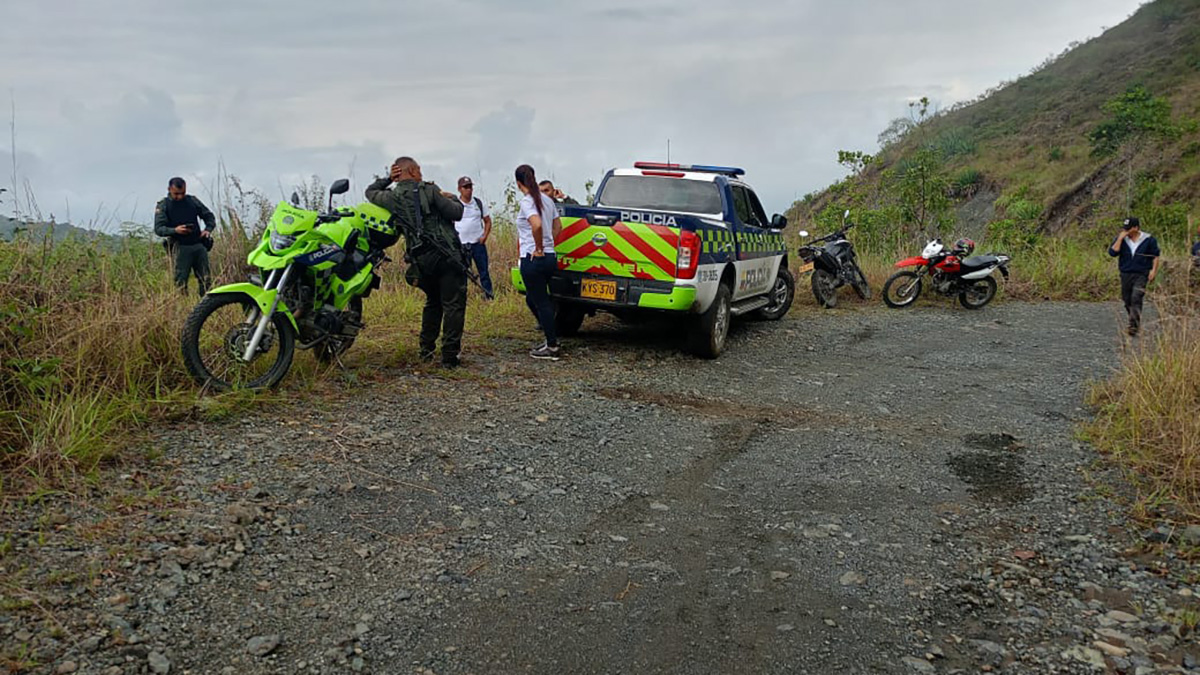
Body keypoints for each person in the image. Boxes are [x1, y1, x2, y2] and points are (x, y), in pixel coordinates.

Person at [366, 157, 467, 367]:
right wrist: (453, 198)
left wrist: (387, 179)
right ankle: (449, 356)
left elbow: (370, 192)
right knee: (453, 305)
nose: (421, 173)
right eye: (419, 169)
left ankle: (426, 350)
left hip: (420, 260)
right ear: (411, 170)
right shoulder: (430, 190)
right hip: (446, 255)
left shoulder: (391, 197)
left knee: (433, 302)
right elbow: (456, 213)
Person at [517, 165, 564, 360]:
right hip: (550, 258)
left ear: (519, 183)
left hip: (534, 258)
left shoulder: (528, 202)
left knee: (540, 301)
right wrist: (548, 243)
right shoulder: (548, 200)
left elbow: (535, 224)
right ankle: (551, 334)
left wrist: (538, 248)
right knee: (534, 298)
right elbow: (558, 226)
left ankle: (552, 346)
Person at [154, 177, 216, 296]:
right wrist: (175, 230)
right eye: (176, 194)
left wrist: (207, 230)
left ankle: (206, 306)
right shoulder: (164, 205)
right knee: (180, 283)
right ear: (169, 189)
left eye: (182, 193)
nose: (180, 197)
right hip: (180, 247)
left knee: (206, 280)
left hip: (198, 245)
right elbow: (158, 229)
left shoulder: (192, 200)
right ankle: (182, 307)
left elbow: (209, 216)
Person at [1108, 216, 1161, 336]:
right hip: (1126, 273)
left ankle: (1133, 326)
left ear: (1136, 228)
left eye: (1129, 229)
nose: (1126, 231)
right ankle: (1133, 318)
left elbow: (1155, 255)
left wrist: (1153, 271)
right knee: (1127, 299)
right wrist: (1120, 239)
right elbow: (1112, 253)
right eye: (1124, 228)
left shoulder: (1148, 239)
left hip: (1141, 273)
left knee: (1136, 297)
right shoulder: (1122, 239)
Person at [452, 176, 494, 298]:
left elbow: (487, 221)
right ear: (459, 189)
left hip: (477, 244)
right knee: (462, 273)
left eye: (470, 187)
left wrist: (485, 236)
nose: (469, 190)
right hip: (462, 245)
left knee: (484, 272)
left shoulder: (479, 203)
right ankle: (461, 296)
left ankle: (488, 295)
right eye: (465, 187)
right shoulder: (455, 205)